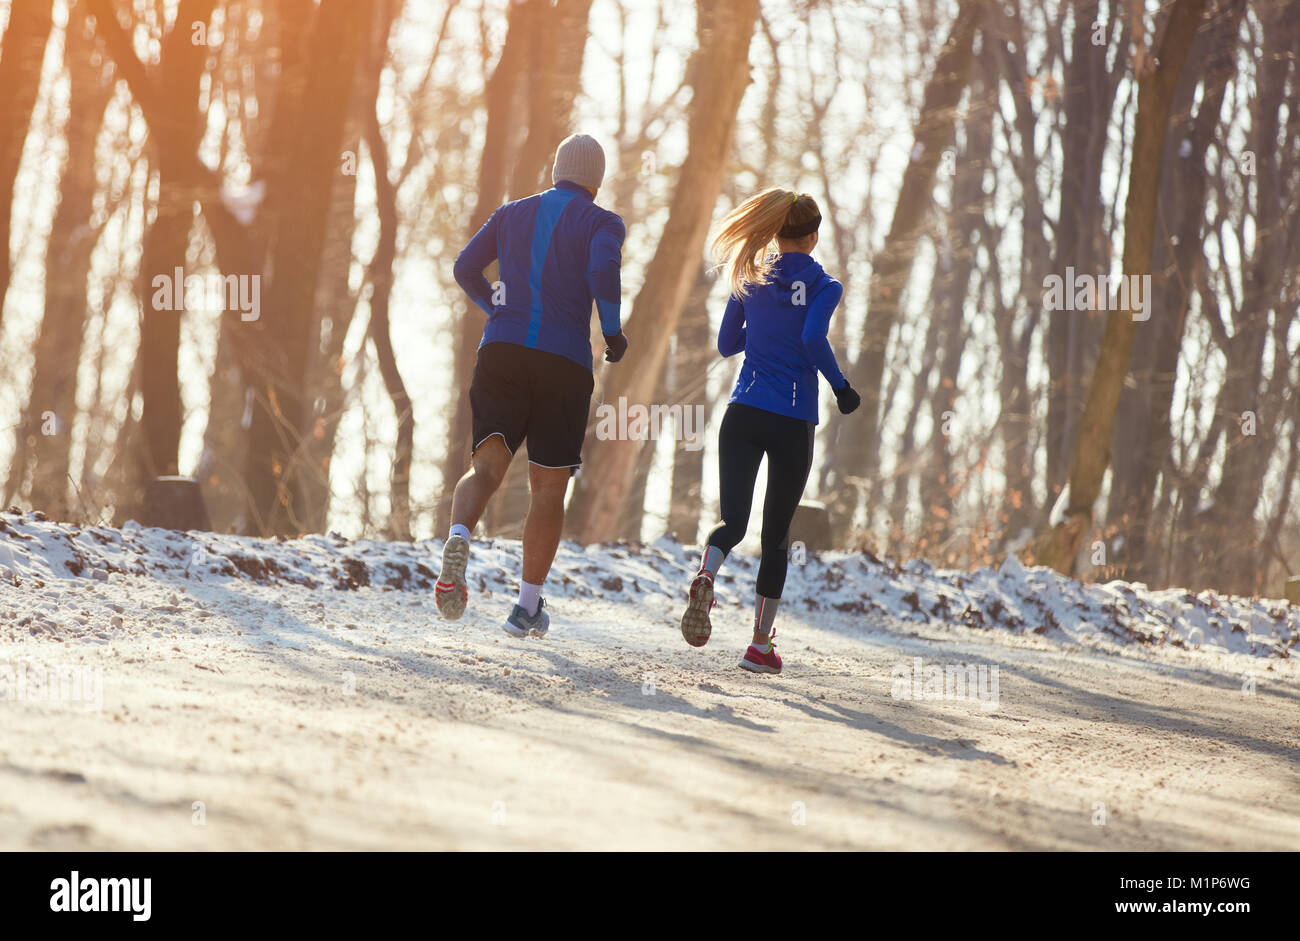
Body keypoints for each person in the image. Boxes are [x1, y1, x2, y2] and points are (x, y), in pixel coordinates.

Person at [437, 133, 628, 638]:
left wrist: (494, 309)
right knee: (547, 489)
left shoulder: (510, 213)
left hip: (501, 351)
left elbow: (464, 268)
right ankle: (525, 608)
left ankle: (459, 536)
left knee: (485, 468)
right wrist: (612, 333)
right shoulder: (602, 222)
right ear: (596, 180)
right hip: (563, 363)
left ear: (555, 171)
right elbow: (604, 269)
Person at [679, 187, 859, 674]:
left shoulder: (750, 276)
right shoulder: (826, 285)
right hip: (792, 418)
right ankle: (760, 644)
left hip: (743, 413)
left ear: (776, 233)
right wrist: (841, 386)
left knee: (732, 520)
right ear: (815, 235)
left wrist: (761, 329)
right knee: (775, 536)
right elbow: (811, 337)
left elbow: (725, 344)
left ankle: (706, 574)